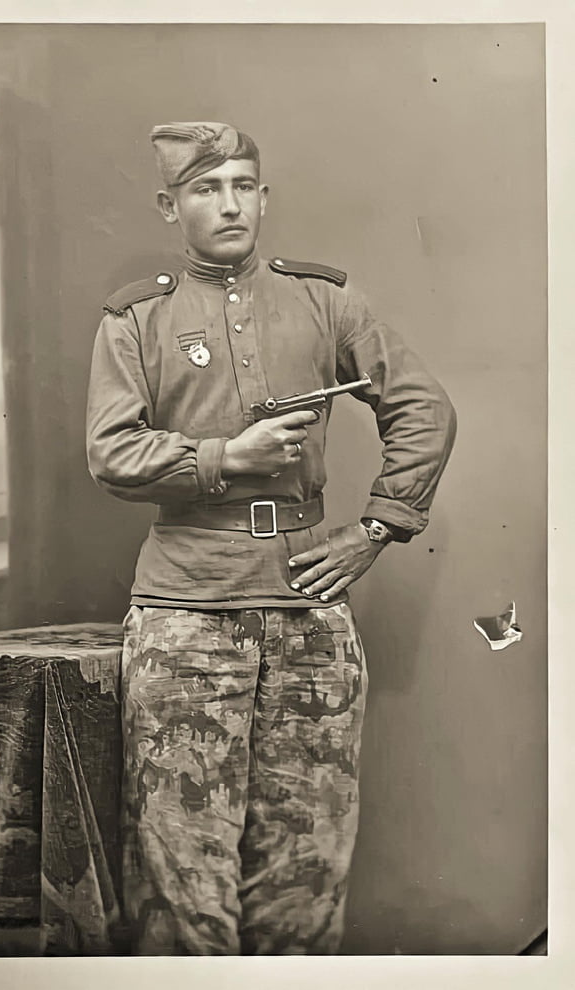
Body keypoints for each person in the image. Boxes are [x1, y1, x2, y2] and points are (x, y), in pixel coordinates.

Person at [86, 120, 457, 955]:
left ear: (263, 196)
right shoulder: (136, 318)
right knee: (182, 874)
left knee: (307, 870)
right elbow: (110, 453)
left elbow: (424, 410)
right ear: (169, 205)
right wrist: (226, 455)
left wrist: (376, 527)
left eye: (244, 186)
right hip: (184, 610)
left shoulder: (325, 299)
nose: (230, 205)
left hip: (308, 610)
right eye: (207, 189)